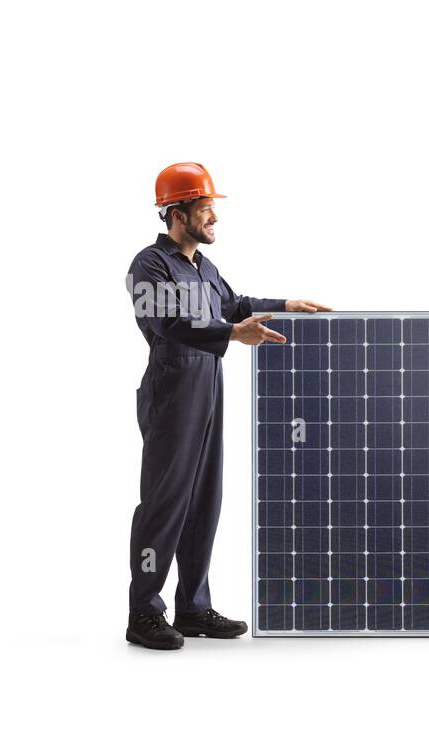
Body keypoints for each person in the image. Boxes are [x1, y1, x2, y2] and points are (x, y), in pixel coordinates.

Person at [125, 162, 329, 650]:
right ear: (175, 213)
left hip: (208, 391)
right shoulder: (149, 266)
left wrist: (285, 303)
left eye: (213, 208)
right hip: (172, 392)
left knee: (204, 501)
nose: (214, 217)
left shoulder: (204, 267)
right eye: (204, 208)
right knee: (164, 505)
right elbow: (167, 324)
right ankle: (144, 614)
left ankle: (193, 608)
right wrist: (232, 335)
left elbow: (234, 305)